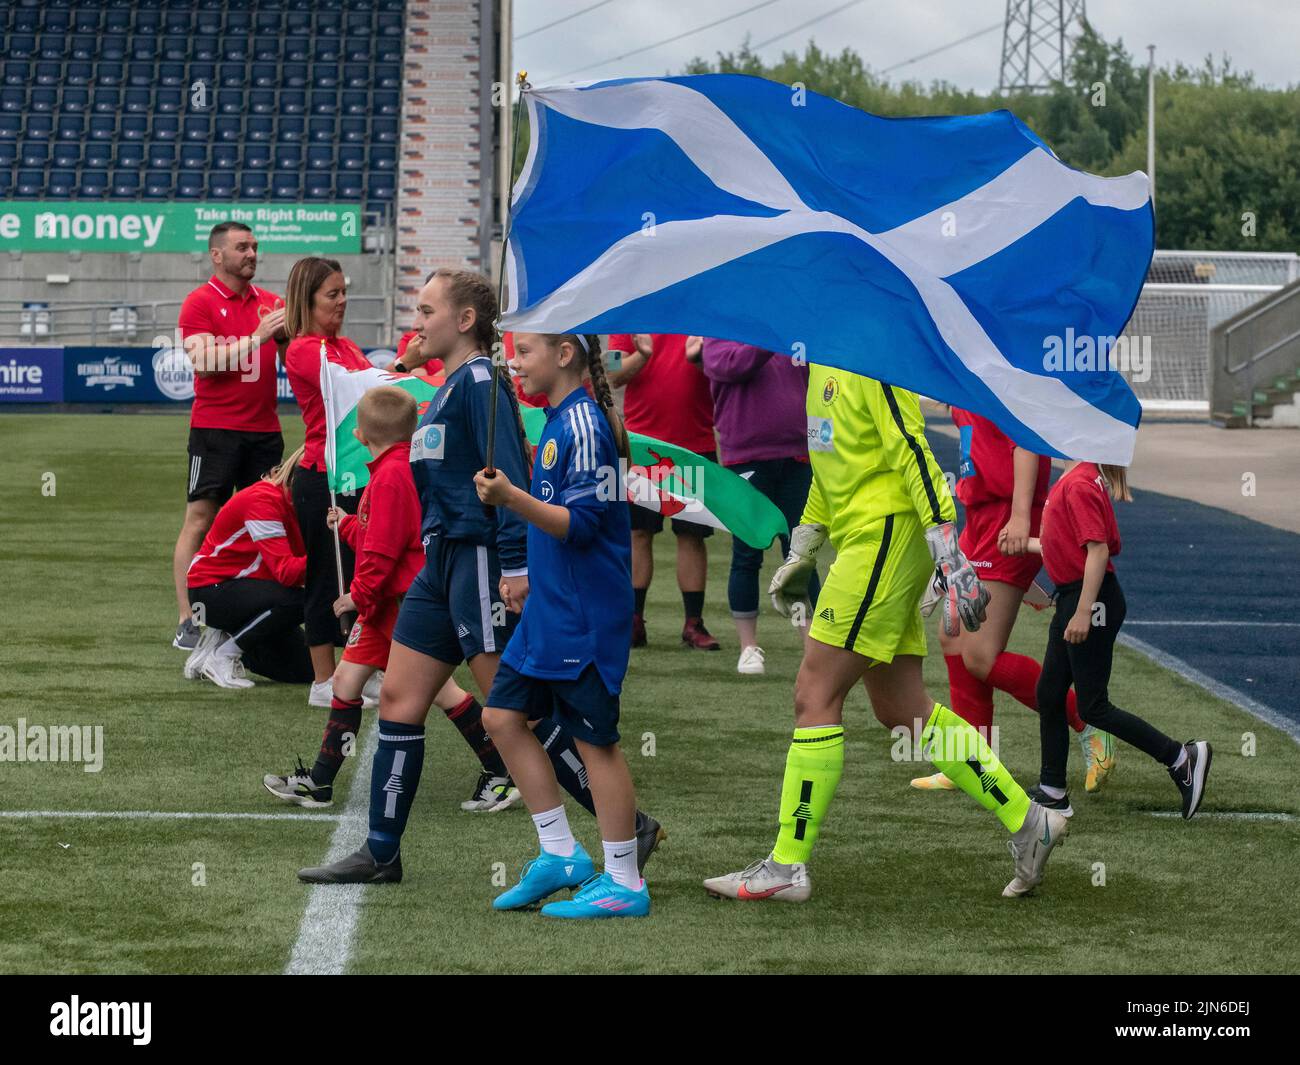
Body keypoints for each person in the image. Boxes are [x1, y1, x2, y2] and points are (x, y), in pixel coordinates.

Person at [297, 270, 663, 884]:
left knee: (513, 710)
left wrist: (515, 564)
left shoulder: (483, 382)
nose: (418, 322)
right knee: (398, 698)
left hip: (478, 560)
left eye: (427, 310)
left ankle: (623, 827)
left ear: (465, 320)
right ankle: (381, 852)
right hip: (441, 564)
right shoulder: (447, 387)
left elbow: (509, 478)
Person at [703, 367, 1069, 903]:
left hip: (885, 540)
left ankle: (787, 866)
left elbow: (914, 452)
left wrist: (948, 549)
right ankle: (1028, 818)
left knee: (814, 694)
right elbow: (830, 477)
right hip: (867, 542)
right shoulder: (821, 359)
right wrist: (804, 547)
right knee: (903, 708)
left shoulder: (868, 353)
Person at [473, 331, 651, 918]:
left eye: (525, 352)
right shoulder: (558, 419)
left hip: (583, 617)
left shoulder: (583, 424)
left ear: (565, 354)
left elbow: (579, 526)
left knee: (594, 744)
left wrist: (512, 498)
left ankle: (625, 882)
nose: (514, 363)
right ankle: (560, 854)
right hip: (551, 611)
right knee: (500, 718)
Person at [262, 386, 486, 808]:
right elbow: (379, 535)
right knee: (345, 682)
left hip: (398, 604)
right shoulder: (393, 470)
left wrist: (355, 597)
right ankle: (321, 782)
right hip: (387, 604)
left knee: (442, 692)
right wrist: (347, 524)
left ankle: (501, 771)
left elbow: (382, 553)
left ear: (361, 434)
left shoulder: (390, 477)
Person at [911, 407, 1116, 795]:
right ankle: (971, 761)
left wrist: (1021, 515)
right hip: (981, 518)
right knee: (952, 634)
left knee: (981, 655)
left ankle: (1088, 721)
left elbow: (1025, 436)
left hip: (1008, 517)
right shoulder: (964, 378)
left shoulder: (995, 370)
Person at [1032, 461, 1212, 819]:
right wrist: (1026, 543)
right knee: (1049, 692)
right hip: (1074, 597)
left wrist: (1084, 611)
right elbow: (1074, 544)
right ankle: (1052, 788)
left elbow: (1099, 551)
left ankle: (1180, 757)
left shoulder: (1079, 482)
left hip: (1089, 600)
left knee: (1093, 706)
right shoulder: (1077, 477)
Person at [173, 222, 287, 651]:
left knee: (266, 524)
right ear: (217, 255)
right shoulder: (199, 302)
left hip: (264, 431)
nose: (252, 253)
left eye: (255, 246)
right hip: (215, 431)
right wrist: (257, 337)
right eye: (242, 247)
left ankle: (252, 611)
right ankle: (188, 617)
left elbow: (301, 350)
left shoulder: (272, 303)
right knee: (200, 519)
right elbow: (203, 363)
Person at [699, 337, 818, 675]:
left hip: (797, 455)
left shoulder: (790, 331)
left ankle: (812, 645)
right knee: (748, 552)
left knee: (801, 555)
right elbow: (734, 367)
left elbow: (813, 381)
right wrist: (770, 334)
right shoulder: (719, 333)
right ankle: (748, 647)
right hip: (746, 457)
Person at [283, 257, 371, 708]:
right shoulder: (304, 349)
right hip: (323, 479)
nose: (342, 302)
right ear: (308, 299)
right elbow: (358, 389)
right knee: (324, 579)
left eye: (343, 292)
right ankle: (323, 681)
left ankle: (357, 667)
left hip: (355, 477)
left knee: (360, 577)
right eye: (331, 295)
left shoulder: (345, 345)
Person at [607, 333, 720, 650]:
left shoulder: (699, 313)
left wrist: (701, 358)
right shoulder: (628, 317)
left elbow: (725, 370)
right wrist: (642, 355)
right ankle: (632, 621)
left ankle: (693, 623)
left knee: (692, 535)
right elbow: (611, 373)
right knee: (637, 532)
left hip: (694, 446)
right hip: (639, 447)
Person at [183, 446, 313, 689]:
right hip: (211, 591)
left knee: (306, 670)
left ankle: (225, 638)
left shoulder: (294, 502)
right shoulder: (263, 500)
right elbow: (286, 571)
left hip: (247, 590)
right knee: (304, 599)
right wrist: (326, 559)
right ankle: (224, 654)